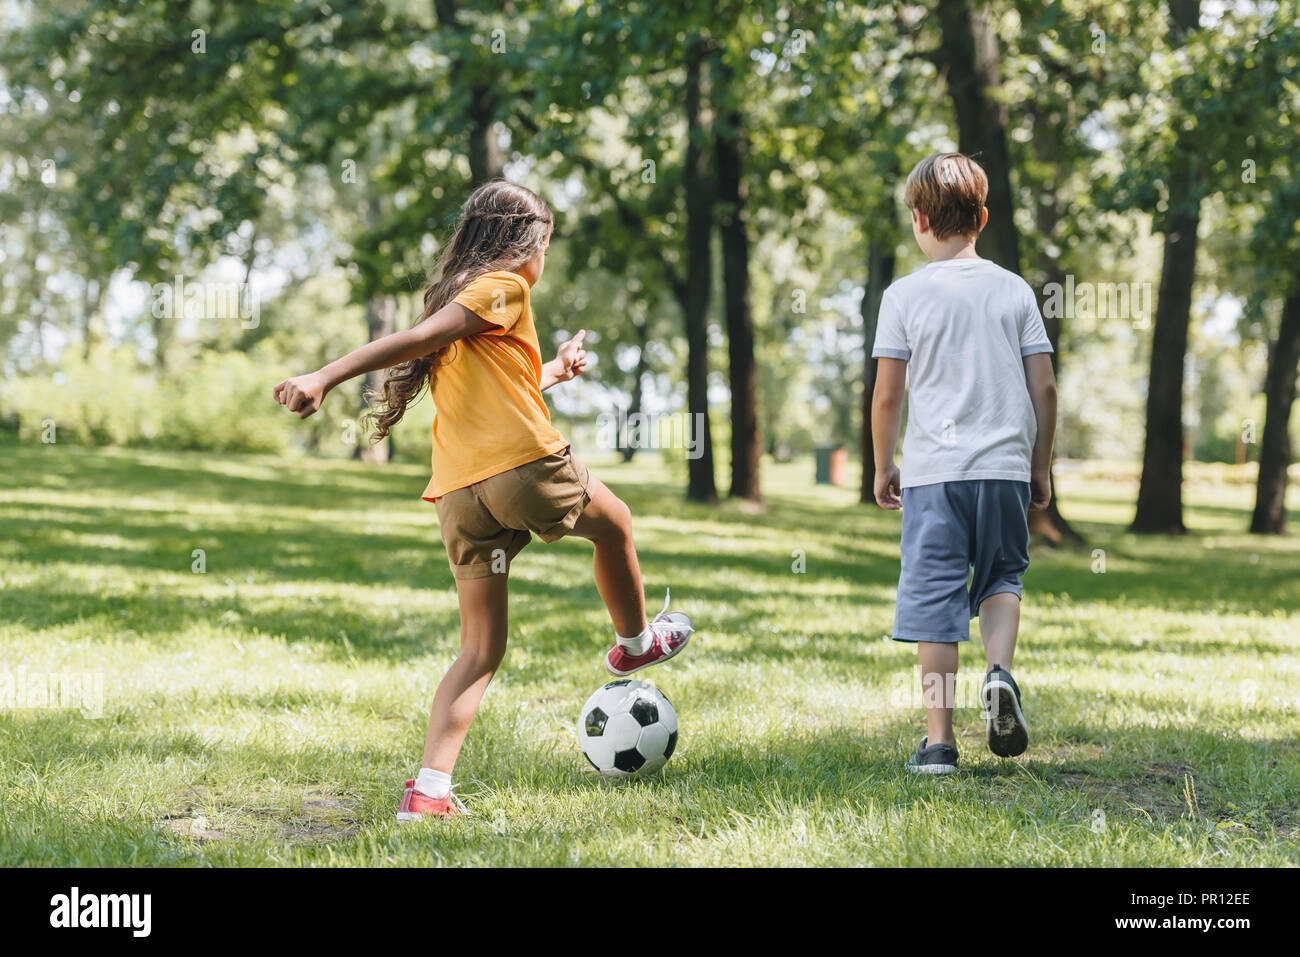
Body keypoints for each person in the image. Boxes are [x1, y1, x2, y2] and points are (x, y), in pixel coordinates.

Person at [272, 180, 694, 818]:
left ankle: (429, 792)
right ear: (527, 243)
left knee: (480, 647)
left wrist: (552, 369)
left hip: (462, 495)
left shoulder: (475, 304)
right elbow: (413, 341)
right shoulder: (508, 286)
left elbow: (502, 382)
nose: (543, 262)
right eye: (545, 246)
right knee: (616, 524)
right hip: (525, 469)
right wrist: (324, 376)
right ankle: (635, 644)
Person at [870, 152, 1058, 774]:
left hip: (934, 476)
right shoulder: (1014, 289)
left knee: (935, 607)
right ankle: (999, 673)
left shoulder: (903, 296)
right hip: (1004, 468)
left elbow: (889, 394)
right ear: (982, 216)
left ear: (920, 220)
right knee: (1002, 578)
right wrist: (1040, 465)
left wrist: (882, 464)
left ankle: (940, 742)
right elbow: (1046, 389)